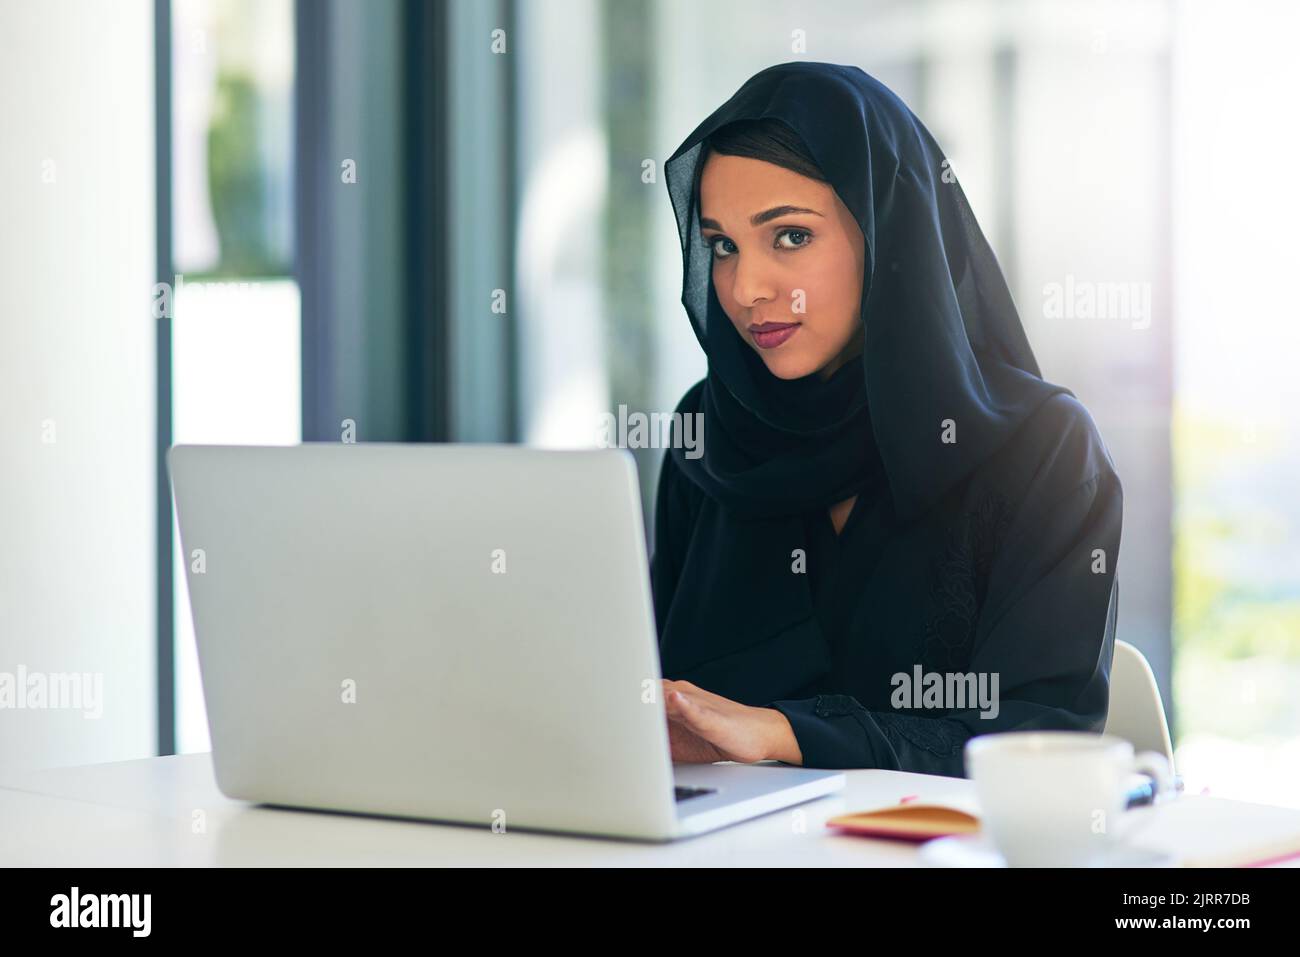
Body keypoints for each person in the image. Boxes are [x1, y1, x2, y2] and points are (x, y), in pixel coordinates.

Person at [650, 62, 1123, 775]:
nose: (745, 289)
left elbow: (1041, 738)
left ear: (887, 232)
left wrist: (790, 734)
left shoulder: (1044, 452)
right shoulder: (708, 435)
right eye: (722, 246)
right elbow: (651, 695)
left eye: (788, 237)